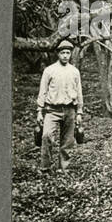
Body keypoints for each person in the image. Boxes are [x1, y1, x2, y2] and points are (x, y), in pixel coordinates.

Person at [37, 39, 83, 175]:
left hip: (70, 109)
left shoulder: (74, 71)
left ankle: (64, 168)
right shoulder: (49, 70)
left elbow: (79, 92)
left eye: (68, 53)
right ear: (58, 53)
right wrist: (39, 111)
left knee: (67, 141)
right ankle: (45, 168)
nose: (65, 55)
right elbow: (43, 91)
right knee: (46, 136)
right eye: (62, 52)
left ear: (70, 54)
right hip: (52, 109)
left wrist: (79, 112)